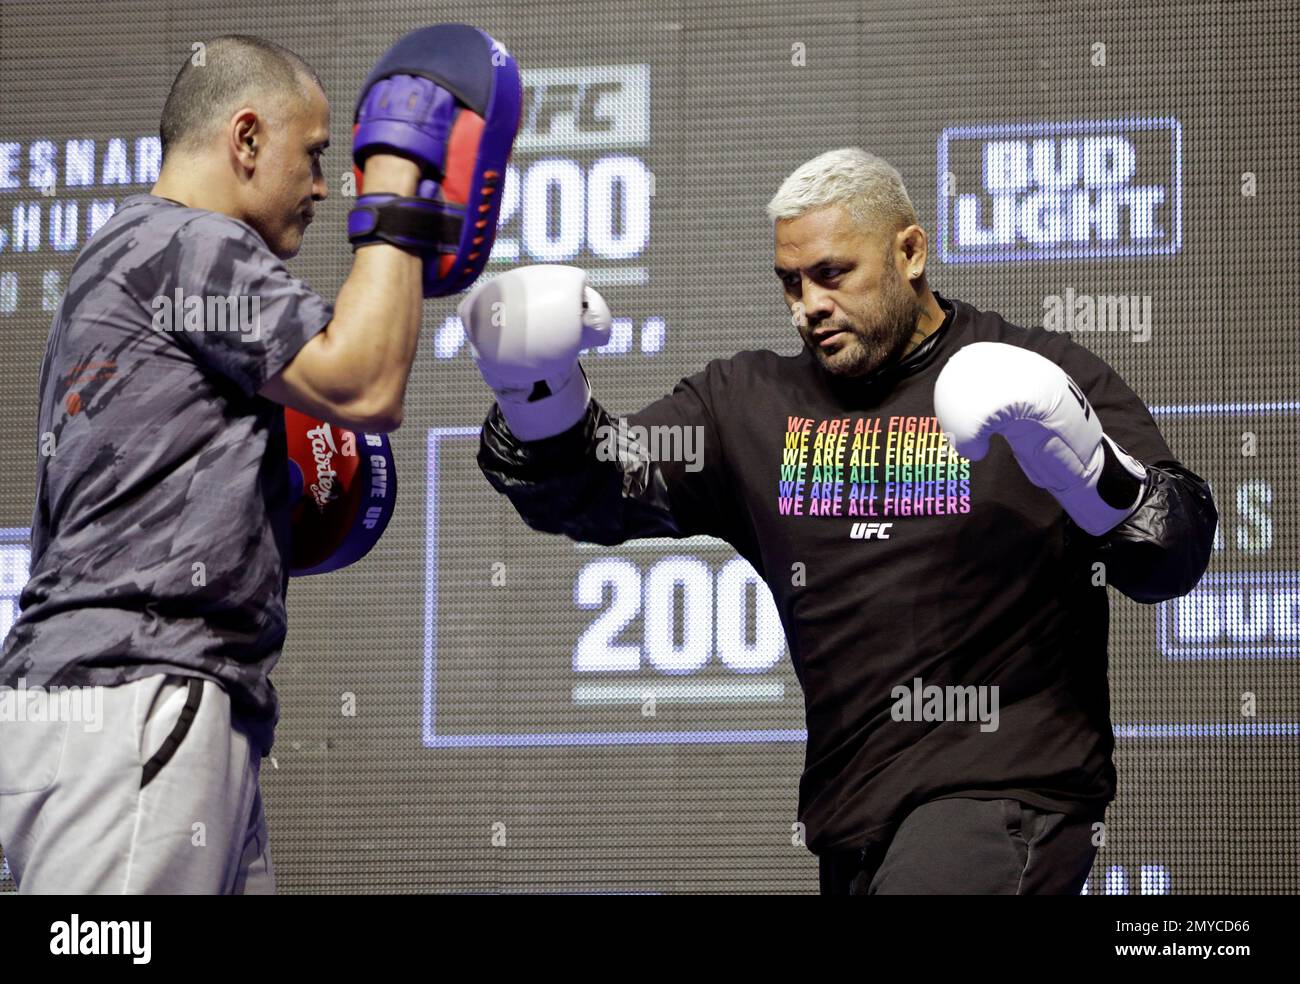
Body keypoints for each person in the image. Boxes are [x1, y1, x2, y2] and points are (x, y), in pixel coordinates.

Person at [462, 147, 1218, 895]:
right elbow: (594, 490)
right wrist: (536, 394)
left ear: (910, 251)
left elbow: (1171, 558)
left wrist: (1089, 464)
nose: (808, 305)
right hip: (853, 817)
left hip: (1003, 792)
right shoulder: (745, 405)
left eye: (832, 274)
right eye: (790, 283)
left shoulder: (1042, 371)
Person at [0, 27, 518, 893]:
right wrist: (395, 186)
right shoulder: (187, 243)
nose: (323, 183)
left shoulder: (125, 252)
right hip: (141, 696)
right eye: (314, 154)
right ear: (245, 139)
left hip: (126, 701)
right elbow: (362, 384)